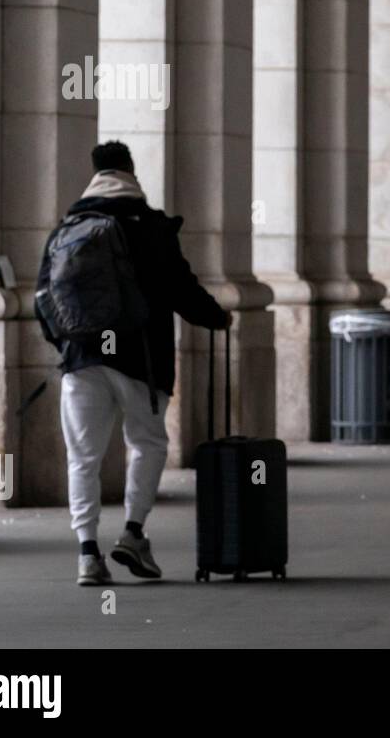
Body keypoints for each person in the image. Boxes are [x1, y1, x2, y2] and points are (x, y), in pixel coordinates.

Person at [35, 141, 230, 586]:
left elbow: (43, 296)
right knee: (147, 443)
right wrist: (217, 317)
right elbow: (182, 289)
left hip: (82, 359)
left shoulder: (70, 225)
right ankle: (133, 532)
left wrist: (64, 343)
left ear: (94, 172)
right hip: (141, 359)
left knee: (83, 457)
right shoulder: (151, 227)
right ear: (131, 171)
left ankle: (87, 553)